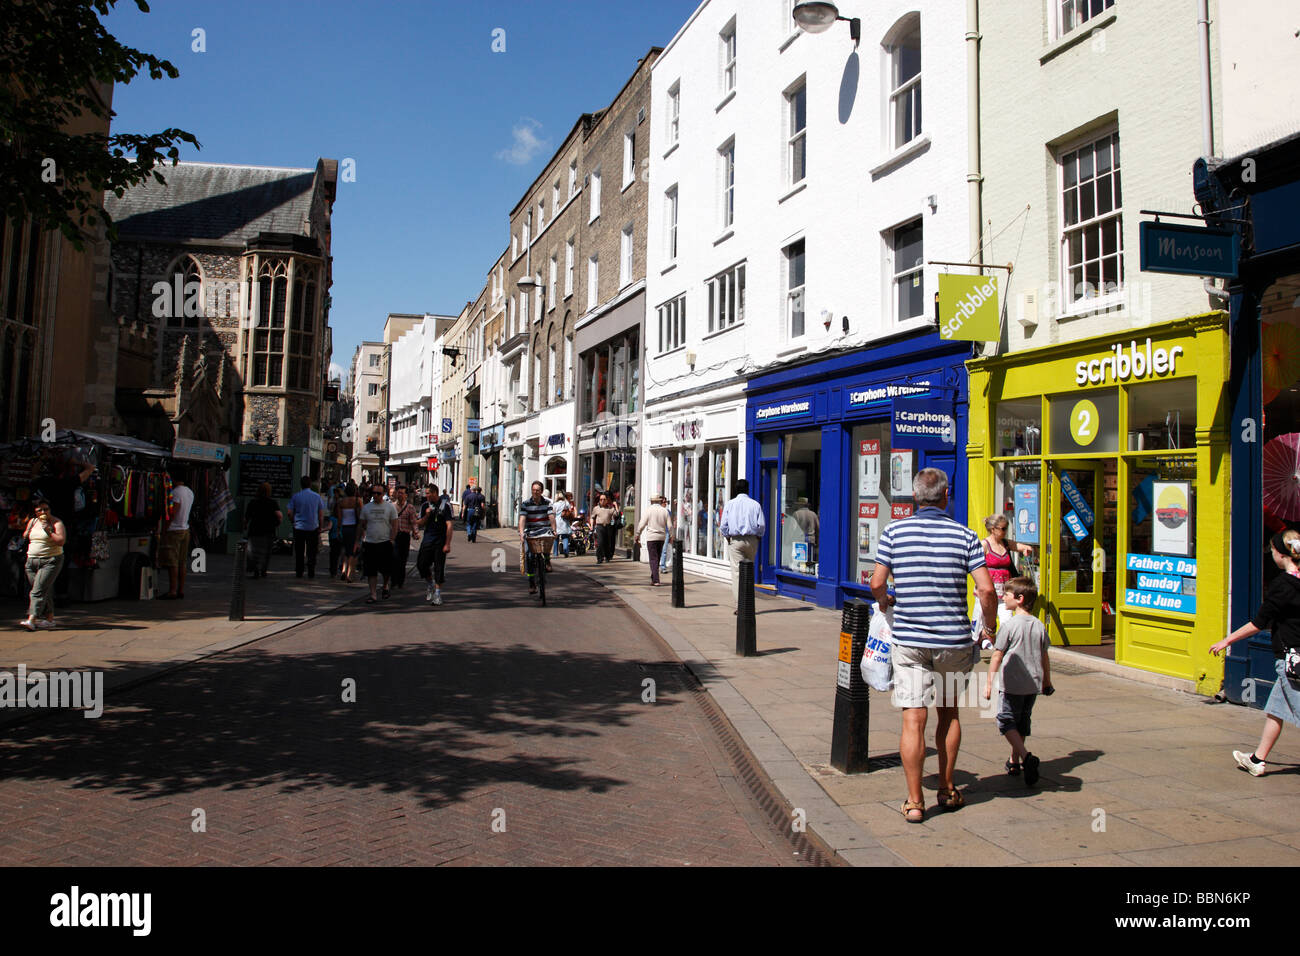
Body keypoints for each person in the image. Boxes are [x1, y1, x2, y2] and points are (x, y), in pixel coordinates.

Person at [870, 468, 997, 823]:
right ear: (946, 495)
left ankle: (914, 802)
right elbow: (986, 590)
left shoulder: (894, 532)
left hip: (910, 640)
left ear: (915, 498)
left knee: (913, 719)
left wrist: (886, 602)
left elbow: (877, 582)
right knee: (949, 713)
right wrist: (990, 625)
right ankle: (946, 787)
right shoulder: (966, 536)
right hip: (952, 642)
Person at [1212, 529, 1300, 776]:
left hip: (1292, 661)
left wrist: (1226, 641)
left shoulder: (1283, 585)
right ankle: (1257, 759)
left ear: (1281, 554)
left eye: (1272, 550)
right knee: (1276, 710)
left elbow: (1259, 623)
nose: (1270, 554)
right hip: (1294, 658)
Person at [983, 576, 1052, 786]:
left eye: (1007, 594)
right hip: (1032, 684)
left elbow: (997, 655)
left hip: (1012, 682)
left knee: (1005, 721)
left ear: (1019, 599)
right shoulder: (1039, 625)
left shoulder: (1010, 625)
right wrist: (1046, 681)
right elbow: (1044, 656)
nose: (1003, 597)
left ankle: (1026, 756)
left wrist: (988, 683)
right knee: (1021, 722)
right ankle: (1014, 760)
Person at [19, 497, 65, 631]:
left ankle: (31, 618)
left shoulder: (57, 523)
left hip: (50, 561)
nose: (43, 512)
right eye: (40, 510)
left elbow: (61, 541)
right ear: (36, 512)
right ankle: (49, 618)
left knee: (37, 591)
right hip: (31, 560)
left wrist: (49, 531)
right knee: (44, 589)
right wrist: (26, 533)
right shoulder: (33, 522)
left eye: (46, 509)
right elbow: (26, 535)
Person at [719, 478, 766, 608]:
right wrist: (758, 537)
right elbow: (761, 525)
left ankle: (741, 606)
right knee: (750, 572)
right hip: (752, 540)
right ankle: (749, 604)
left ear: (736, 490)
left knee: (737, 573)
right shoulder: (755, 504)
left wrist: (728, 537)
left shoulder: (730, 504)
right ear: (747, 489)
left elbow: (723, 525)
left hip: (735, 540)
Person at [357, 483, 398, 604]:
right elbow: (361, 524)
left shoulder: (389, 507)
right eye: (373, 493)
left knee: (386, 570)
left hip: (384, 542)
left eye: (378, 493)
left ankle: (385, 586)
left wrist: (392, 539)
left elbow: (395, 524)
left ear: (383, 494)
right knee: (371, 570)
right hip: (370, 542)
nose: (375, 495)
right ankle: (373, 594)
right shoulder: (366, 508)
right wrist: (358, 540)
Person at [158, 471, 194, 599]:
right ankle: (180, 589)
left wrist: (164, 530)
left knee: (172, 562)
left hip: (174, 530)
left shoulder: (176, 493)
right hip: (185, 529)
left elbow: (173, 512)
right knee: (182, 562)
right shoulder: (190, 492)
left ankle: (172, 590)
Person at [417, 483, 454, 605]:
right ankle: (430, 583)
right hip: (428, 540)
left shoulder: (446, 506)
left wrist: (447, 544)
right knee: (421, 564)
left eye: (428, 493)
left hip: (440, 541)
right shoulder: (425, 505)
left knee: (439, 568)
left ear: (434, 493)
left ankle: (437, 594)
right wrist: (427, 515)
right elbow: (420, 523)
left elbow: (449, 525)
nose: (426, 495)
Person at [518, 481, 556, 594]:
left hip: (544, 530)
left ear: (541, 491)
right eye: (533, 490)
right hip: (530, 532)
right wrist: (521, 533)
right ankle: (532, 583)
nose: (535, 492)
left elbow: (551, 517)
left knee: (548, 542)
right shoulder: (526, 504)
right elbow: (522, 519)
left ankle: (547, 561)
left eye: (537, 490)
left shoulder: (547, 503)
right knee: (529, 556)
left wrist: (554, 530)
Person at [287, 475, 328, 579]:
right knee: (312, 551)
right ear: (310, 484)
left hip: (299, 527)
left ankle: (299, 571)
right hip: (312, 527)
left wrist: (293, 521)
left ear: (301, 485)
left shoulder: (296, 496)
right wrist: (320, 526)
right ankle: (311, 570)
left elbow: (289, 512)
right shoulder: (316, 497)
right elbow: (320, 514)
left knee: (299, 551)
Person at [244, 482, 282, 578]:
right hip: (268, 531)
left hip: (255, 530)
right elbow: (279, 515)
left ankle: (256, 570)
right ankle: (263, 570)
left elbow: (247, 517)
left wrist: (245, 525)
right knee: (266, 552)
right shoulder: (273, 503)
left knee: (254, 551)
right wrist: (278, 523)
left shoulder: (253, 502)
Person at [634, 494, 673, 587]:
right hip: (661, 537)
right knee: (657, 558)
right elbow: (670, 526)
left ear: (652, 501)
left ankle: (656, 580)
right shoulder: (665, 511)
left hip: (651, 537)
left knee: (653, 559)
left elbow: (642, 523)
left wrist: (637, 534)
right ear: (659, 501)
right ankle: (653, 577)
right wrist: (672, 536)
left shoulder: (648, 510)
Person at [391, 485, 419, 589]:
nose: (400, 495)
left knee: (402, 559)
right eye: (398, 492)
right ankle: (393, 580)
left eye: (402, 493)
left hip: (404, 536)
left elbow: (413, 522)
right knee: (394, 558)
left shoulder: (410, 507)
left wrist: (415, 532)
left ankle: (400, 581)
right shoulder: (392, 506)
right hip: (394, 535)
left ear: (406, 495)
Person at [335, 481, 362, 583]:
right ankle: (349, 573)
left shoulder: (341, 502)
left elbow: (339, 518)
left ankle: (343, 570)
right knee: (352, 551)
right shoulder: (357, 501)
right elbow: (362, 516)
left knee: (345, 550)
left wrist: (338, 530)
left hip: (344, 527)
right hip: (354, 528)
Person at [590, 492, 619, 565]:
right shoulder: (596, 508)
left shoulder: (610, 508)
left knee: (607, 543)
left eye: (604, 499)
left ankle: (607, 557)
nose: (602, 501)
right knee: (600, 543)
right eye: (601, 499)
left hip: (608, 526)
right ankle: (599, 558)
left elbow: (616, 515)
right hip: (599, 526)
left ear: (607, 500)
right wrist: (591, 526)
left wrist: (616, 506)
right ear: (599, 500)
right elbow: (592, 517)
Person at [553, 491, 572, 558]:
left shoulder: (555, 504)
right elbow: (570, 510)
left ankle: (555, 553)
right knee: (565, 537)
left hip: (557, 522)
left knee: (556, 538)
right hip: (564, 521)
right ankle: (565, 550)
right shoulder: (566, 503)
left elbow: (553, 513)